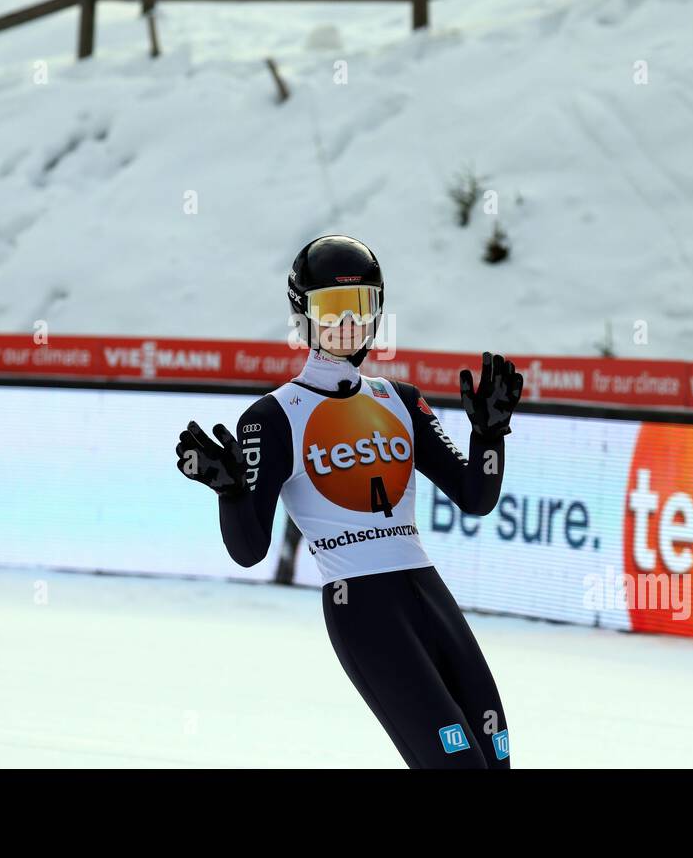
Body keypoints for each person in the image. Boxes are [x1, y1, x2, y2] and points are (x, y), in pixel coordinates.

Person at [174, 234, 524, 768]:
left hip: (426, 590)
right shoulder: (272, 418)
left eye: (362, 306)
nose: (349, 323)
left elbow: (476, 496)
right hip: (362, 606)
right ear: (303, 315)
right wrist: (229, 491)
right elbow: (248, 550)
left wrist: (490, 435)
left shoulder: (400, 400)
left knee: (496, 757)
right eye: (332, 308)